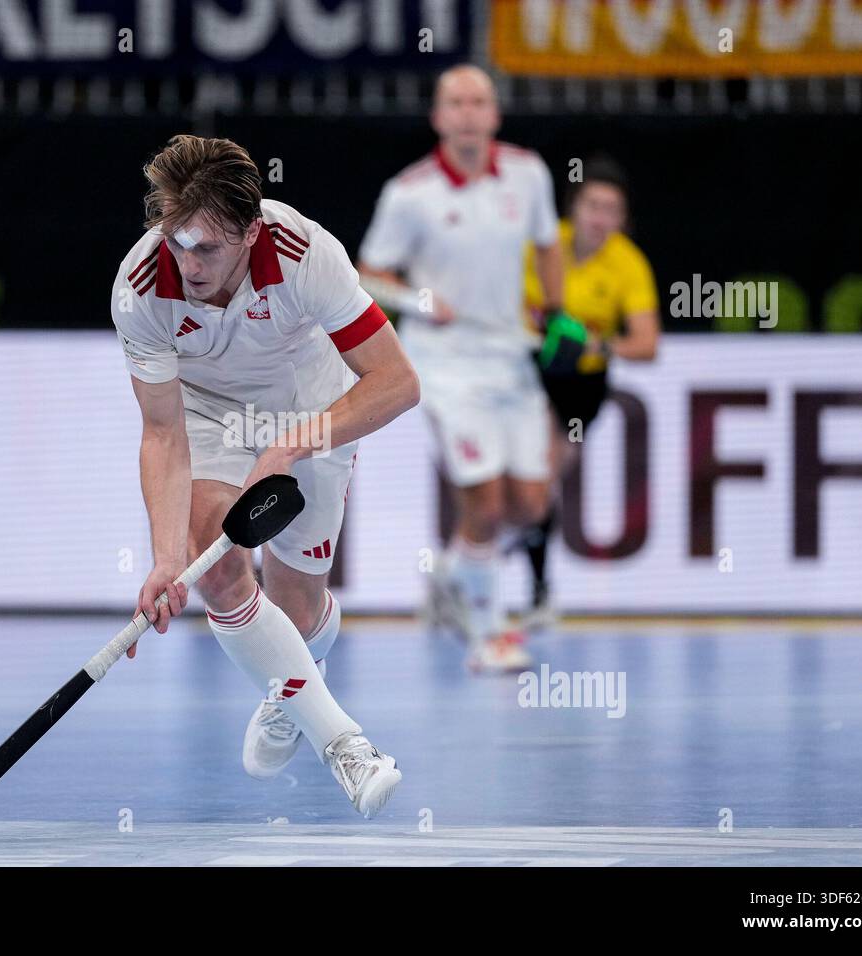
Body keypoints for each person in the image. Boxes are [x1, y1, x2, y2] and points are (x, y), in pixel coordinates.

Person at [109, 134, 420, 817]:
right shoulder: (139, 290)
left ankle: (292, 680)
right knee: (215, 565)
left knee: (297, 610)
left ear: (251, 232)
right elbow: (162, 434)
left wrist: (297, 441)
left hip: (312, 408)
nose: (187, 263)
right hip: (210, 417)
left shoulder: (307, 253)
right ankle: (343, 741)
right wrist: (167, 559)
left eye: (208, 248)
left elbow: (397, 383)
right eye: (176, 241)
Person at [357, 64, 564, 673]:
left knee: (530, 504)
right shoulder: (409, 193)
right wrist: (422, 301)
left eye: (479, 101)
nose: (469, 112)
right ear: (439, 117)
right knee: (486, 504)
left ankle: (451, 575)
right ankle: (486, 636)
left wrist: (554, 313)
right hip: (444, 366)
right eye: (457, 102)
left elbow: (549, 243)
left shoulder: (528, 175)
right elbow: (370, 273)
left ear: (495, 114)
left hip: (512, 357)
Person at [519, 157, 661, 628]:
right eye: (593, 206)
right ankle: (532, 585)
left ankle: (531, 579)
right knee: (531, 472)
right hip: (527, 370)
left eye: (611, 210)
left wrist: (594, 344)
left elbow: (647, 343)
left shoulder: (628, 265)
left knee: (543, 483)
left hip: (583, 386)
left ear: (622, 220)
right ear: (574, 209)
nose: (600, 218)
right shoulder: (541, 245)